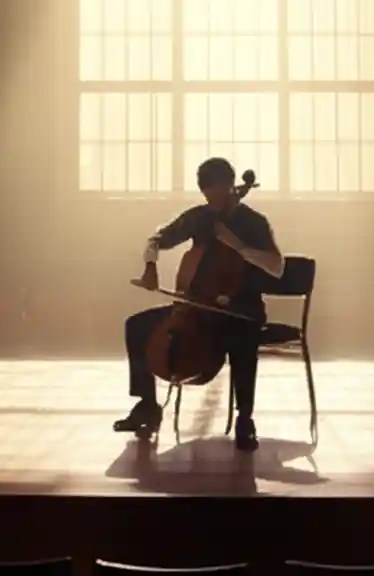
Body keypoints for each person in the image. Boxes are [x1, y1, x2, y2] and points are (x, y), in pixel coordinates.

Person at [115, 157, 285, 451]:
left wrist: (241, 248)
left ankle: (245, 418)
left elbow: (277, 267)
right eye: (206, 195)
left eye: (216, 194)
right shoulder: (201, 217)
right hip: (196, 307)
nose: (212, 201)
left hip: (240, 310)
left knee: (243, 341)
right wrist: (150, 264)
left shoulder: (254, 222)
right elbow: (156, 238)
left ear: (231, 186)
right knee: (137, 326)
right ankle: (147, 405)